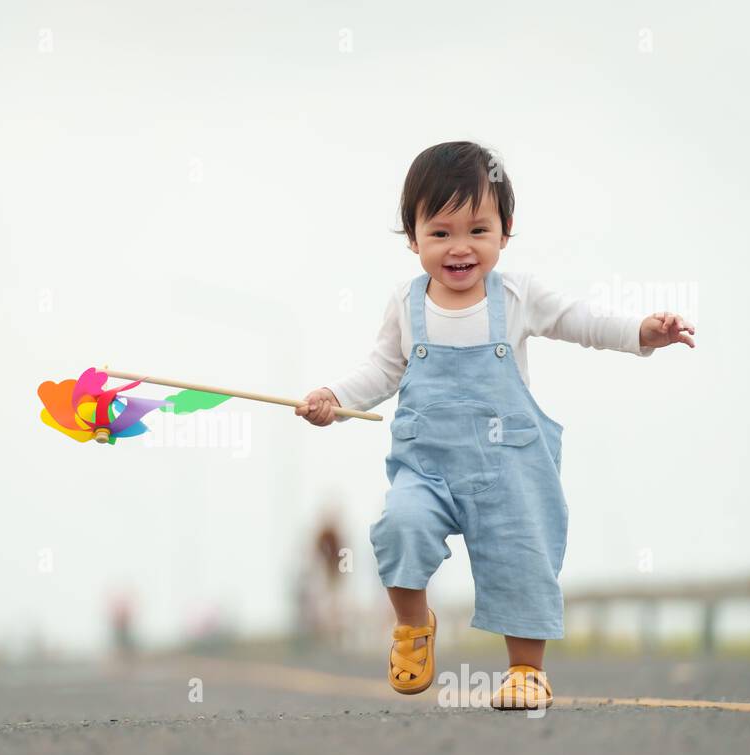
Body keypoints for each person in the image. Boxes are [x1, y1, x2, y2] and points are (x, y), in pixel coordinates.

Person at [296, 141, 695, 710]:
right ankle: (413, 627)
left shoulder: (517, 296)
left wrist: (641, 332)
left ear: (505, 232)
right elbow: (382, 369)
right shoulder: (406, 305)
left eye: (477, 230)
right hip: (426, 466)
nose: (460, 248)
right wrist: (333, 397)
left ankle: (526, 670)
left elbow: (580, 320)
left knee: (521, 558)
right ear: (412, 238)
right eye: (440, 233)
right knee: (399, 526)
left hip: (509, 465)